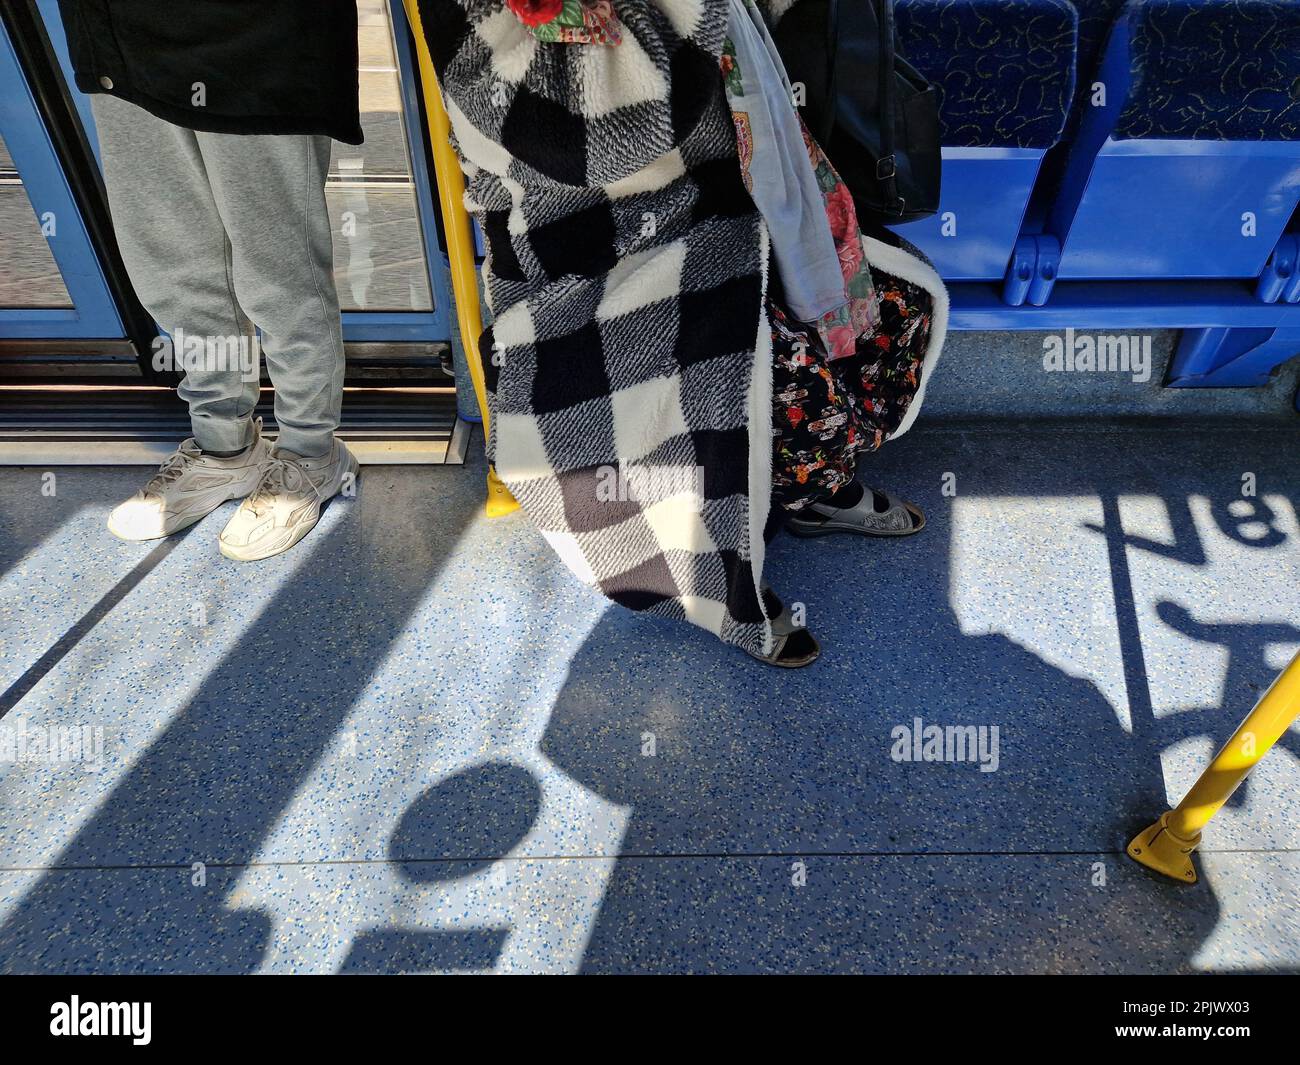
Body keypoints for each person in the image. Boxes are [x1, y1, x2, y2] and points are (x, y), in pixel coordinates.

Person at [57, 0, 362, 560]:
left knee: (279, 269)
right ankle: (225, 447)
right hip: (119, 39)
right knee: (176, 266)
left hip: (254, 36)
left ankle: (310, 453)